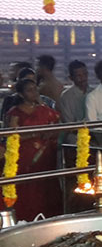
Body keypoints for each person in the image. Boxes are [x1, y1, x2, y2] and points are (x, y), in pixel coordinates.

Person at [5, 78, 61, 220]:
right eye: (29, 90)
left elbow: (57, 126)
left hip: (45, 156)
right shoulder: (15, 112)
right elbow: (12, 135)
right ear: (21, 94)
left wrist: (50, 133)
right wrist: (34, 134)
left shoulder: (45, 110)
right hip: (25, 158)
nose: (34, 92)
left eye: (35, 89)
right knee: (28, 188)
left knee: (46, 187)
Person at [58, 60, 91, 124]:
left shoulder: (93, 92)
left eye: (85, 74)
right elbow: (68, 122)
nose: (83, 78)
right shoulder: (66, 96)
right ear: (71, 78)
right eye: (79, 76)